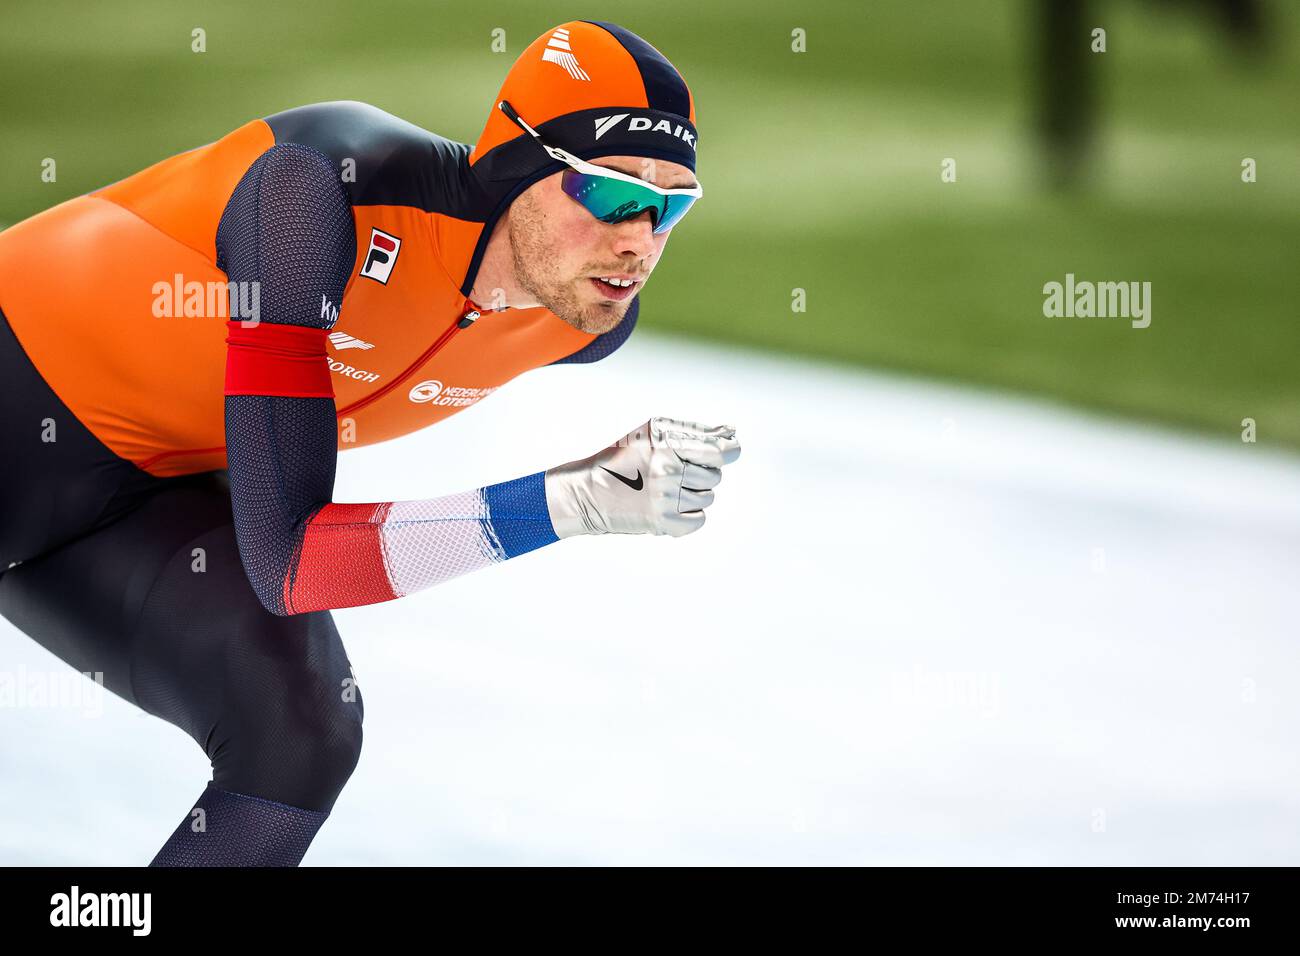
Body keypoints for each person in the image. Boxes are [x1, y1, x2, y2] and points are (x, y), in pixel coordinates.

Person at [0, 19, 740, 866]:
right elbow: (290, 565)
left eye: (673, 206)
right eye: (612, 194)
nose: (640, 241)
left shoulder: (580, 320)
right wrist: (568, 502)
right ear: (519, 164)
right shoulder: (318, 194)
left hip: (142, 495)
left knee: (298, 730)